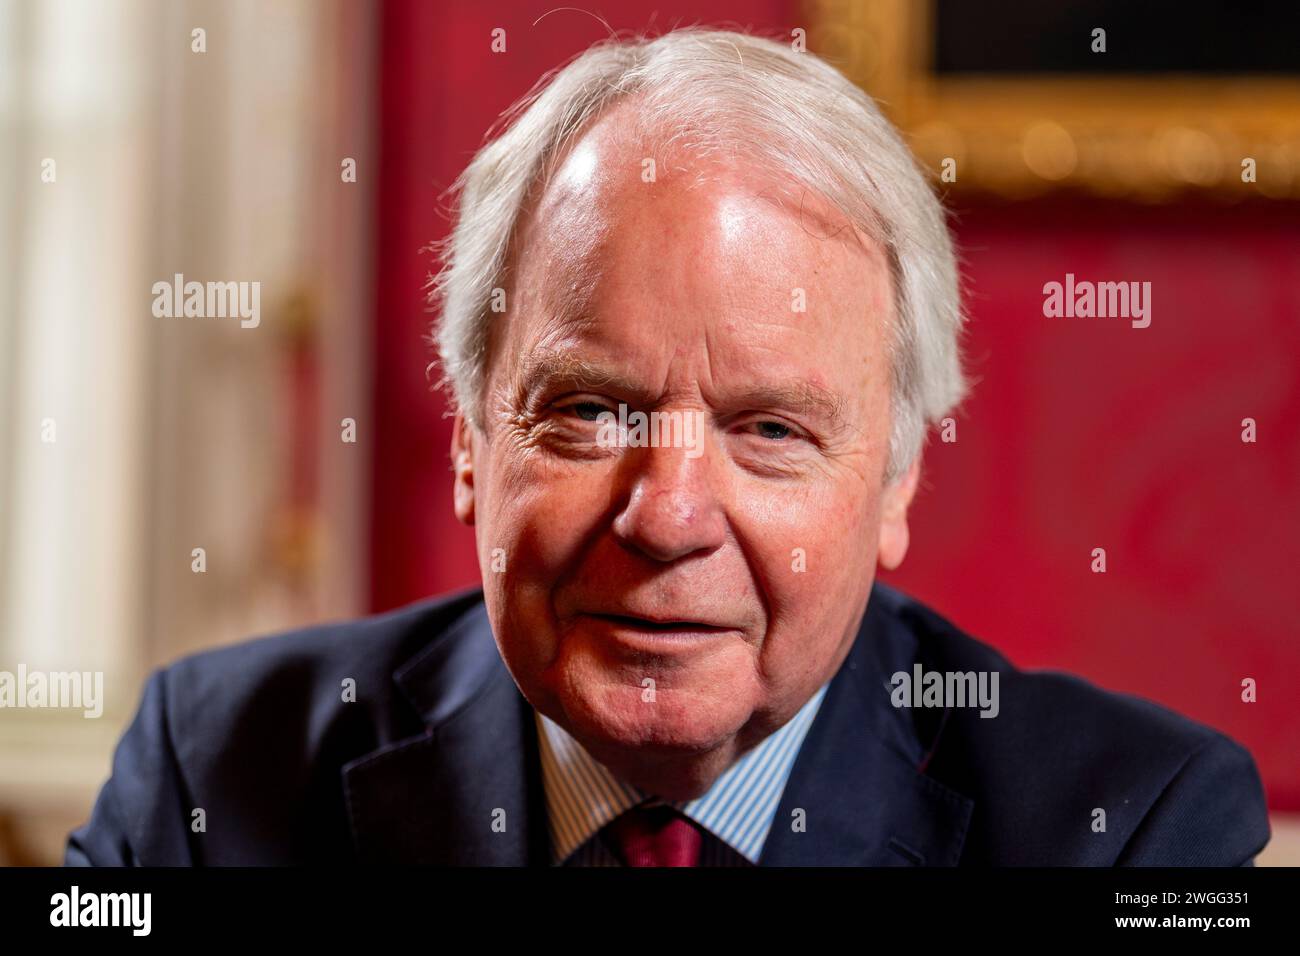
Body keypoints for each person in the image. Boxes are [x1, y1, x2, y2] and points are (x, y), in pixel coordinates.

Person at [67, 28, 1269, 866]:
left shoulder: (1130, 828)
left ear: (895, 479)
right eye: (591, 411)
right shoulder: (212, 775)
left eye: (770, 429)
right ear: (473, 440)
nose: (668, 512)